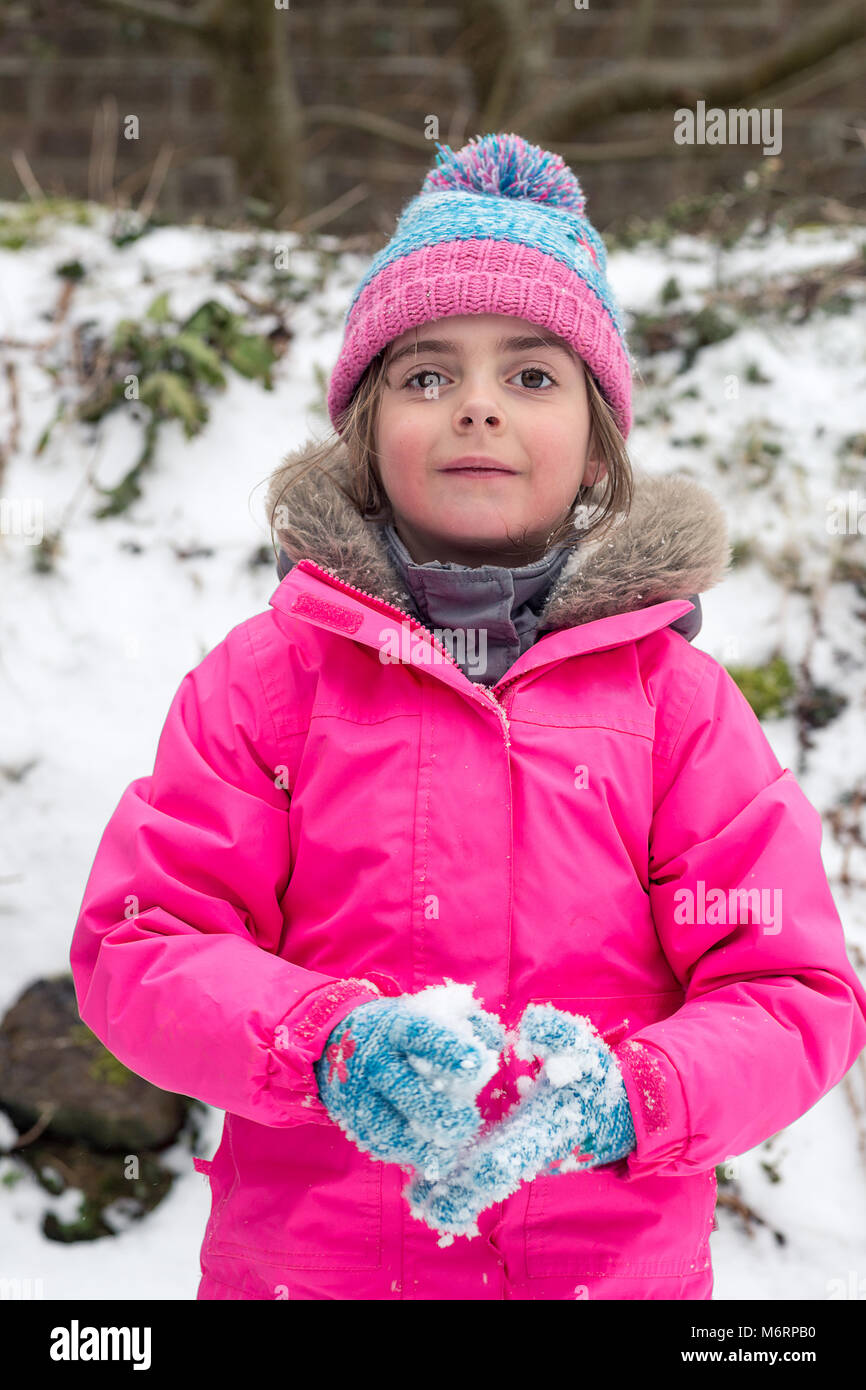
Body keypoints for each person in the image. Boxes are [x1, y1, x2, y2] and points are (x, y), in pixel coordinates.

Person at [69, 132, 866, 1301]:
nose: (476, 409)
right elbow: (144, 942)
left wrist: (631, 1088)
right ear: (365, 430)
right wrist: (319, 1040)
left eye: (530, 376)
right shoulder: (267, 684)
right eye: (426, 374)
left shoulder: (676, 710)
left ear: (596, 447)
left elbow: (788, 991)